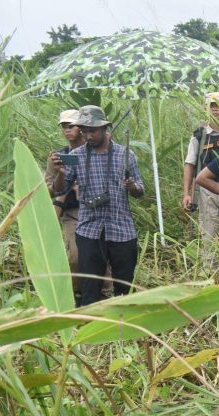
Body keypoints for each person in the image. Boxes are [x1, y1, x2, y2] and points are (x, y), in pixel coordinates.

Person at [51, 105, 144, 306]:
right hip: (89, 229)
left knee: (124, 283)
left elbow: (140, 192)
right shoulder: (77, 156)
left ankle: (122, 327)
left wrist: (132, 186)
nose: (88, 135)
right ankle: (90, 326)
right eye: (84, 131)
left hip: (121, 228)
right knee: (90, 285)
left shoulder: (125, 155)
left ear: (104, 129)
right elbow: (59, 189)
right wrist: (58, 172)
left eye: (92, 130)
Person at [182, 92, 219, 249]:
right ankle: (208, 272)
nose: (215, 109)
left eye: (218, 105)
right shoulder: (199, 136)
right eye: (211, 106)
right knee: (208, 238)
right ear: (206, 108)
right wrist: (187, 194)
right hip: (206, 191)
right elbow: (189, 164)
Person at [44, 109, 84, 291]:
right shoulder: (58, 156)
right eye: (64, 127)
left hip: (98, 209)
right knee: (75, 257)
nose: (67, 130)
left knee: (101, 257)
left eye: (71, 126)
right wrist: (60, 175)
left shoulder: (96, 151)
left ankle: (105, 295)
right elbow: (49, 189)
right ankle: (76, 295)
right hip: (72, 212)